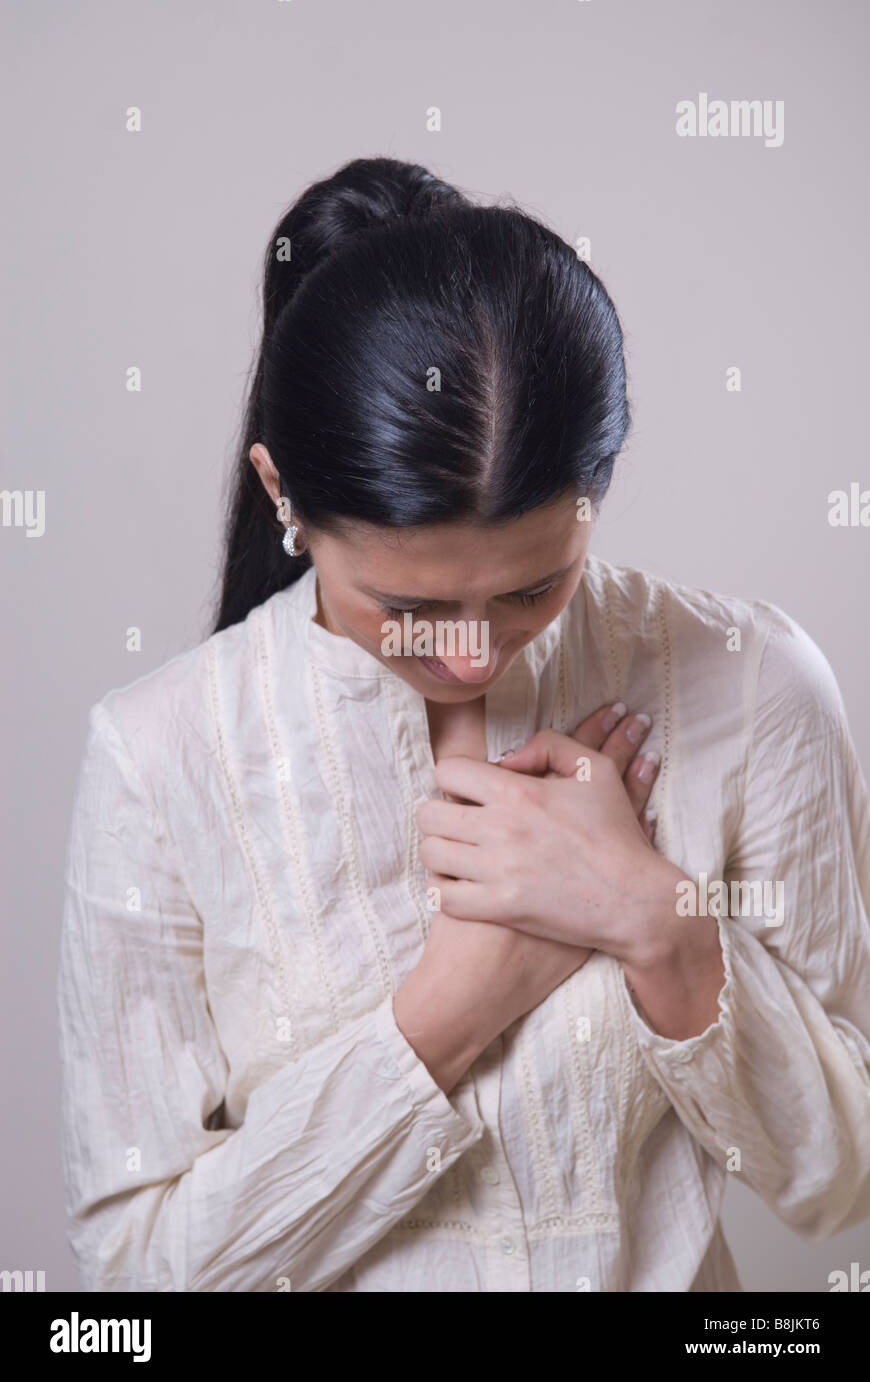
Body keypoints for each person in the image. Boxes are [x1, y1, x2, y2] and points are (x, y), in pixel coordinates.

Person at [57, 156, 870, 1292]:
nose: (474, 654)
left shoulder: (753, 683)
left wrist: (658, 922)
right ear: (282, 494)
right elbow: (133, 1280)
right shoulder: (159, 755)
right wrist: (449, 1011)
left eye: (535, 589)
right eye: (411, 606)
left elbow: (840, 1183)